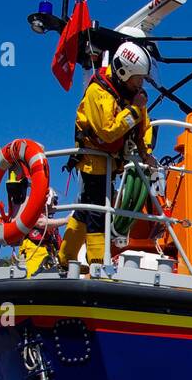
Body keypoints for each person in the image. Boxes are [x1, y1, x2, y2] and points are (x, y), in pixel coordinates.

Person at [59, 40, 157, 269]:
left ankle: (65, 257)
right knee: (97, 213)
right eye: (138, 78)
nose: (140, 83)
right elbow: (108, 131)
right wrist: (134, 110)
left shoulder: (128, 93)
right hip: (95, 162)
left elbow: (143, 126)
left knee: (85, 210)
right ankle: (97, 264)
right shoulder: (98, 93)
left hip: (109, 164)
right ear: (124, 72)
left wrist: (146, 154)